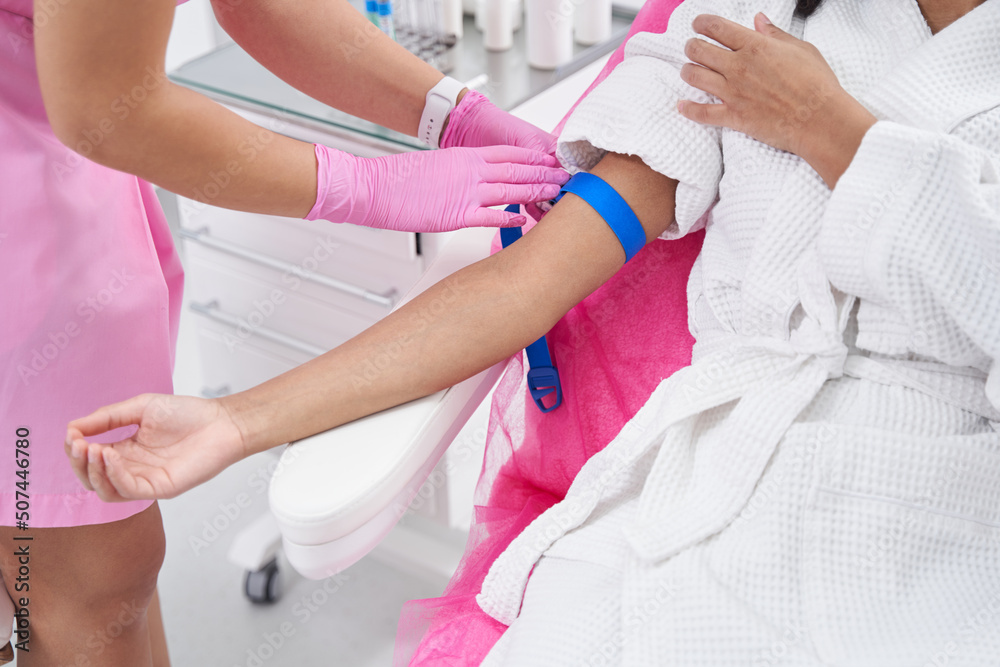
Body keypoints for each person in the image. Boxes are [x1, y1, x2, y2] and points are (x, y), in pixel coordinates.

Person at [66, 0, 1000, 663]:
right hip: (713, 495)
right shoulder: (743, 32)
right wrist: (237, 424)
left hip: (943, 502)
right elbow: (523, 286)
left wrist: (834, 128)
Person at [0, 0, 568, 662]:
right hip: (30, 211)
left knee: (100, 585)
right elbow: (101, 108)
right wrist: (367, 186)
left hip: (57, 147)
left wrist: (452, 113)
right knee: (79, 585)